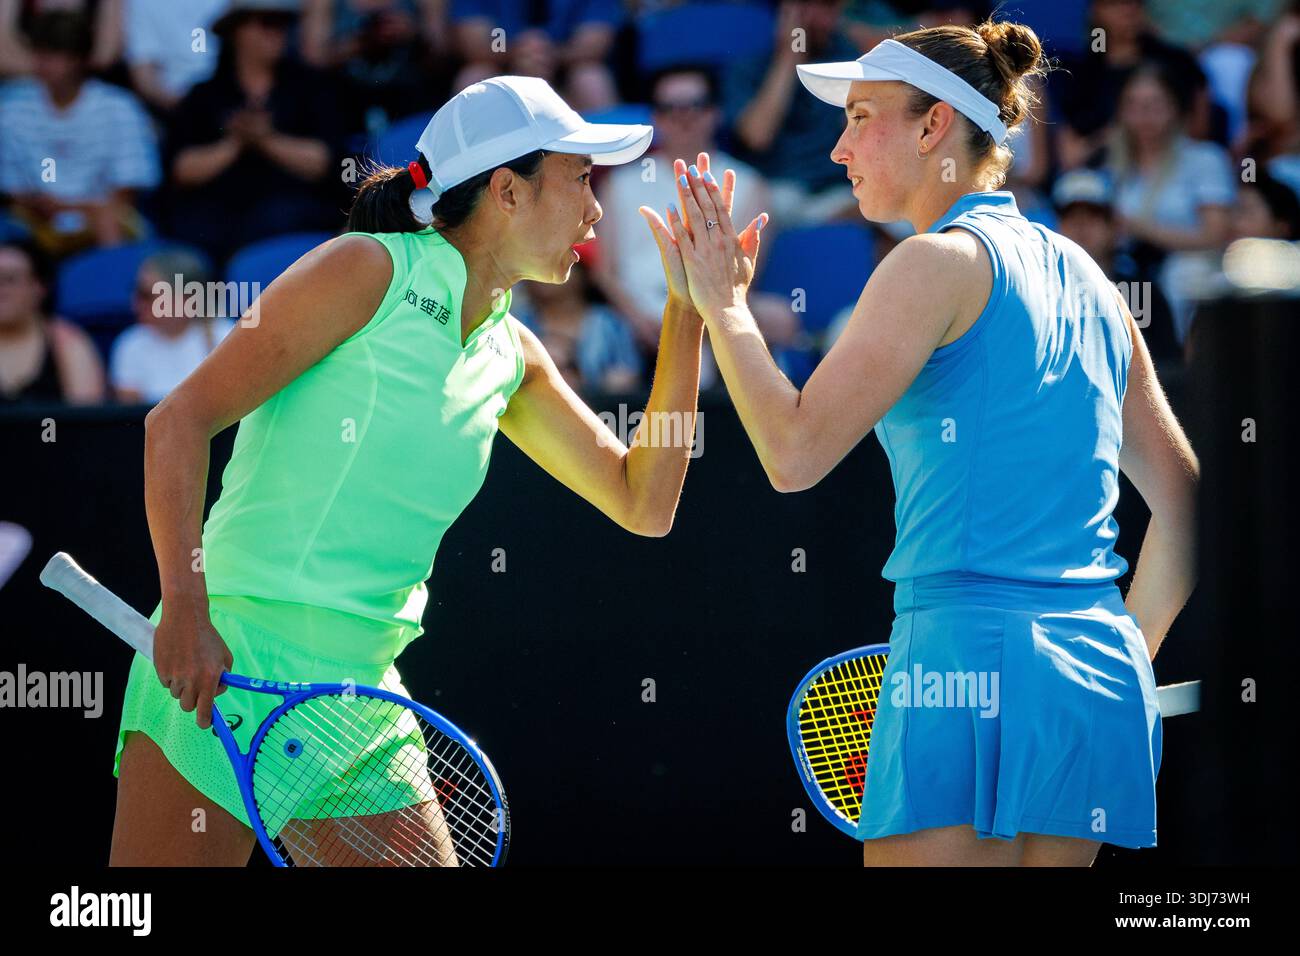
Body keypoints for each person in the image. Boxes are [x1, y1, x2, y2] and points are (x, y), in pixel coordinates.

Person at [110, 75, 716, 866]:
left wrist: (687, 312)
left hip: (358, 701)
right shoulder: (365, 269)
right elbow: (177, 423)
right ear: (507, 189)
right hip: (228, 659)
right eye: (580, 181)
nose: (595, 210)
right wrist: (186, 612)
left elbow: (646, 502)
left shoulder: (512, 356)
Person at [659, 20, 1199, 866]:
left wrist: (724, 306)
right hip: (1093, 680)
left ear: (933, 126)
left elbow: (794, 455)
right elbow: (1191, 506)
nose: (840, 149)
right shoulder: (1090, 276)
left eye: (861, 116)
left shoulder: (929, 265)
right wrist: (1125, 653)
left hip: (959, 660)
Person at [163, 0, 345, 265]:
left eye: (283, 24)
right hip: (218, 226)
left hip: (293, 221)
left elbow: (324, 162)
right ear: (237, 30)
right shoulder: (204, 95)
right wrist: (235, 143)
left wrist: (267, 140)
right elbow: (181, 169)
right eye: (267, 22)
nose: (278, 32)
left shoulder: (313, 88)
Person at [0, 11, 160, 257]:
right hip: (34, 222)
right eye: (41, 54)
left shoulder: (119, 107)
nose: (45, 65)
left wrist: (73, 208)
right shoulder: (12, 107)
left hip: (100, 218)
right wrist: (42, 207)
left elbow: (127, 190)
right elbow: (12, 191)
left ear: (79, 60)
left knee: (108, 220)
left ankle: (111, 290)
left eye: (55, 56)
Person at [109, 247, 237, 404]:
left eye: (146, 295)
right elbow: (129, 420)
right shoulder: (131, 344)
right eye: (136, 292)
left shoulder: (225, 336)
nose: (135, 304)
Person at [0, 238, 105, 404]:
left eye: (10, 279)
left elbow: (86, 420)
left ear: (39, 288)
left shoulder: (68, 342)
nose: (2, 291)